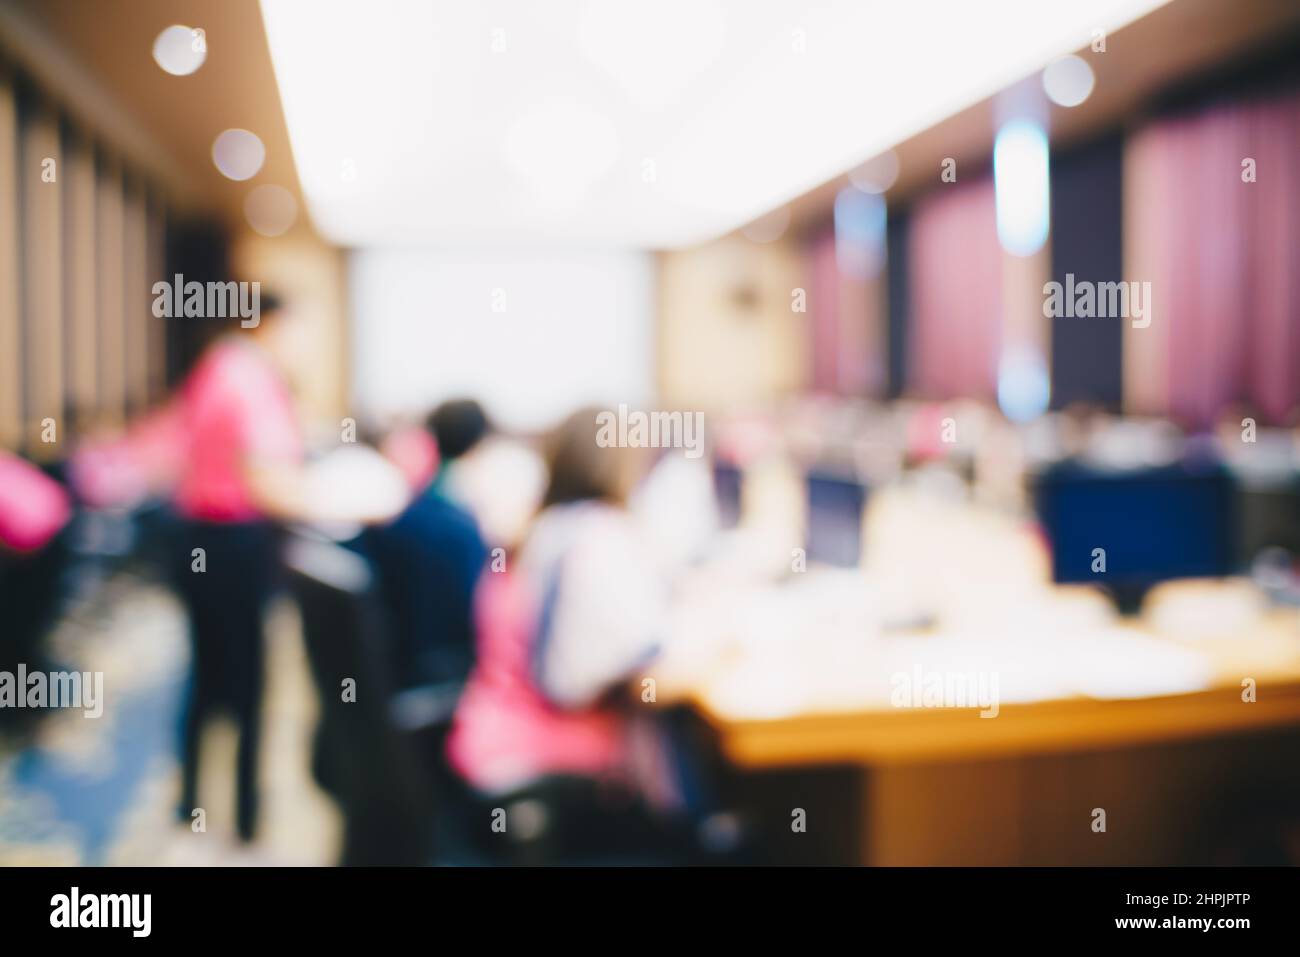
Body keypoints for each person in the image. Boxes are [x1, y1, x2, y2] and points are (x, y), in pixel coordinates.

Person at [447, 408, 676, 859]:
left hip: (488, 735)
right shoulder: (596, 537)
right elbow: (626, 678)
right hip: (549, 756)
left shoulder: (541, 528)